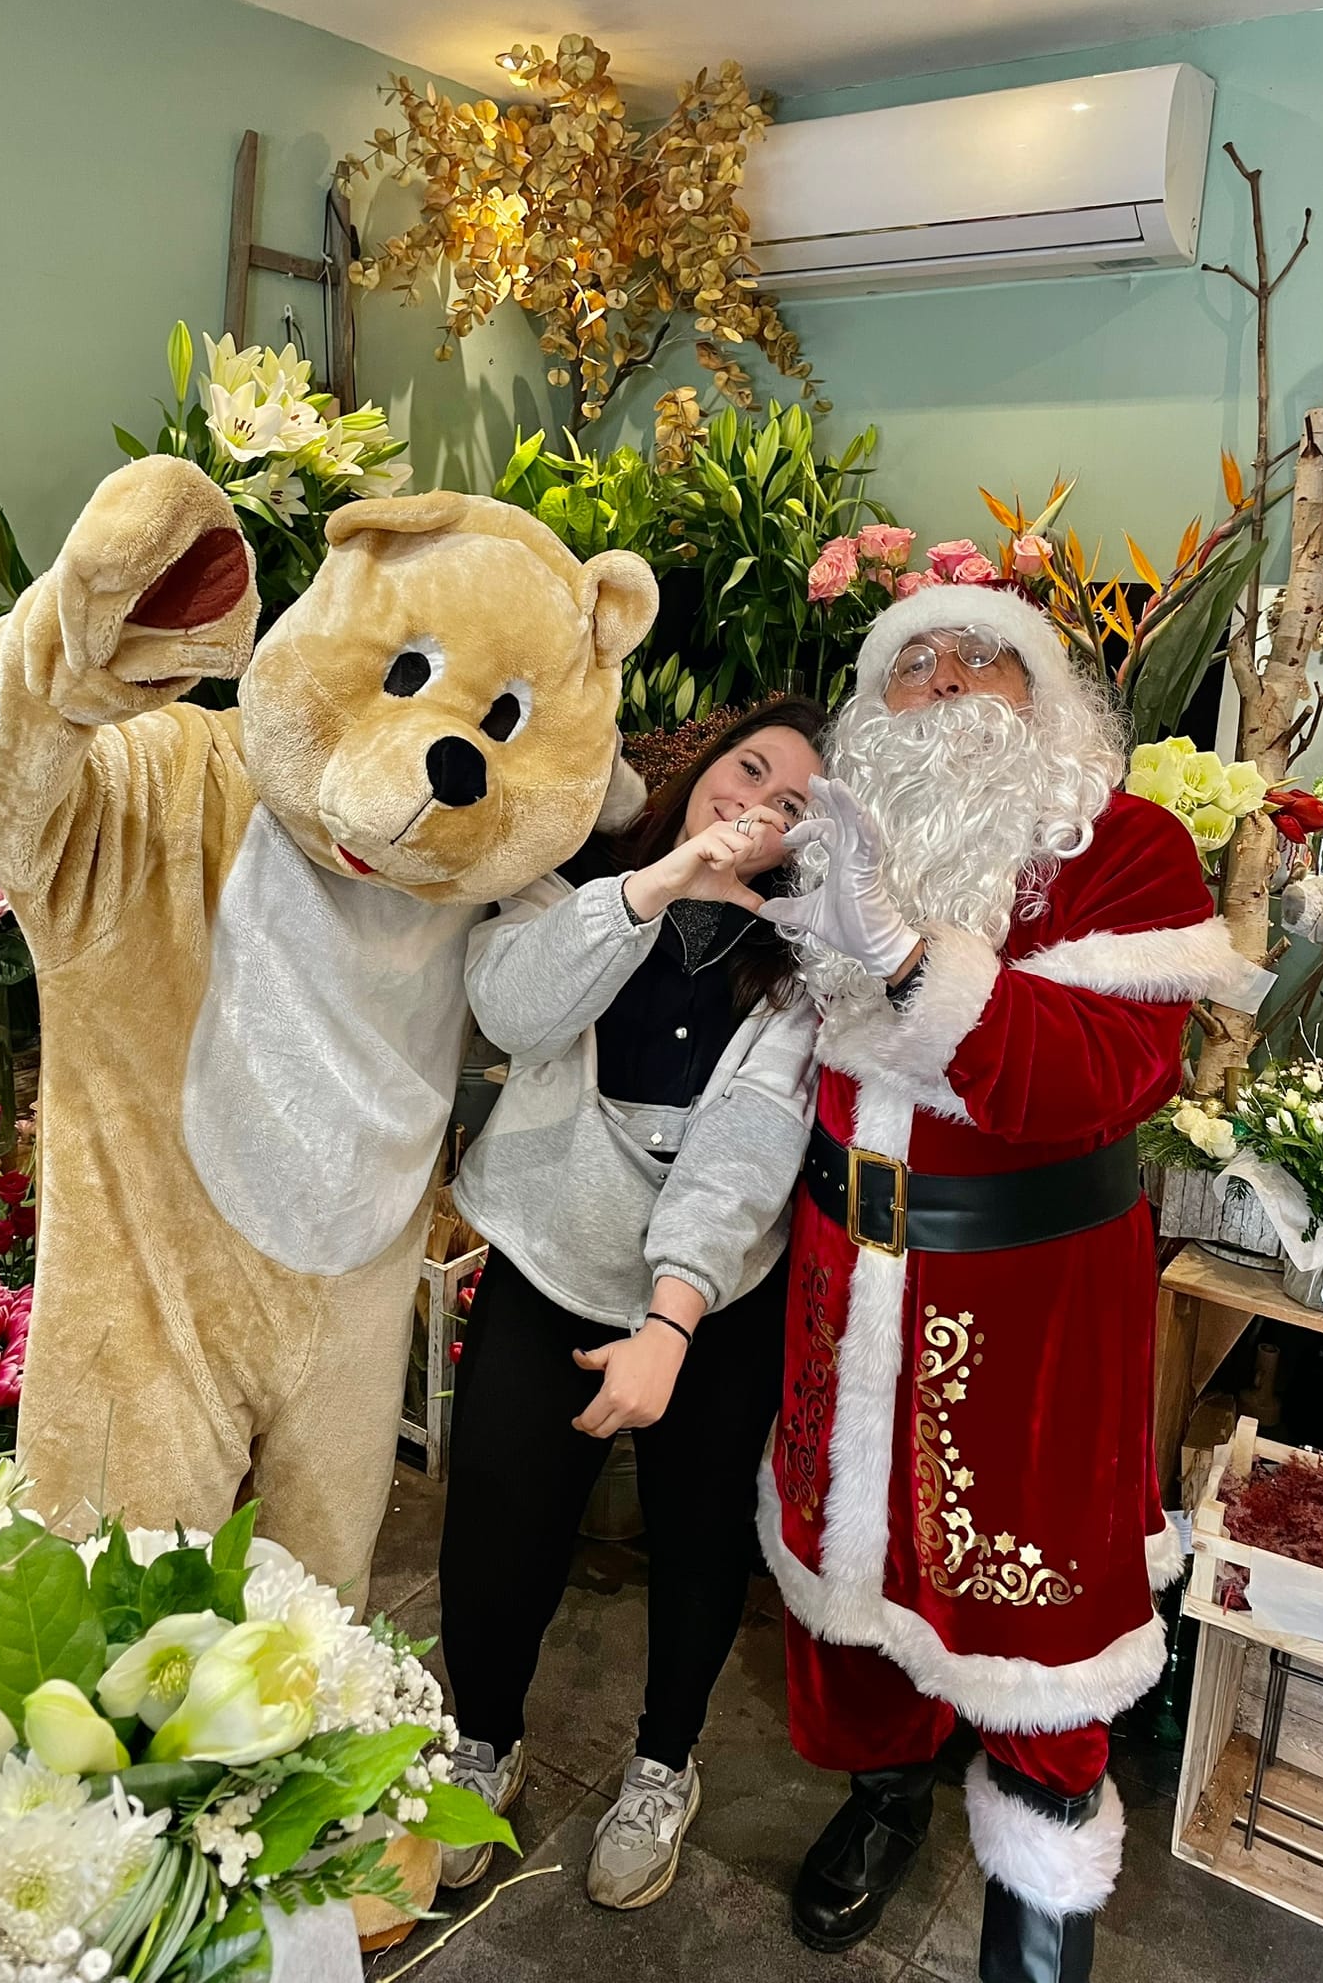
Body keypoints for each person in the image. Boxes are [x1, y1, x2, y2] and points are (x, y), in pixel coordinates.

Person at [756, 587, 1262, 1983]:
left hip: (1028, 1315)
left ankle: (1040, 1889)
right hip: (838, 1281)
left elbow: (1103, 1076)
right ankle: (883, 1798)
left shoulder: (1126, 847)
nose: (947, 680)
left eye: (986, 655)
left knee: (1035, 1628)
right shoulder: (840, 837)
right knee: (848, 1589)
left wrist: (916, 958)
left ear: (1049, 698)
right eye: (908, 665)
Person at [437, 696, 827, 1911]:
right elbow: (511, 1010)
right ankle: (480, 1744)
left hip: (710, 1301)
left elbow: (752, 1140)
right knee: (499, 1525)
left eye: (792, 804)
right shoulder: (583, 876)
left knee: (700, 1540)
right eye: (746, 768)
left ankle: (663, 1760)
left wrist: (671, 1316)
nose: (752, 801)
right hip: (549, 1253)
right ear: (704, 766)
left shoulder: (807, 963)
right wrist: (661, 880)